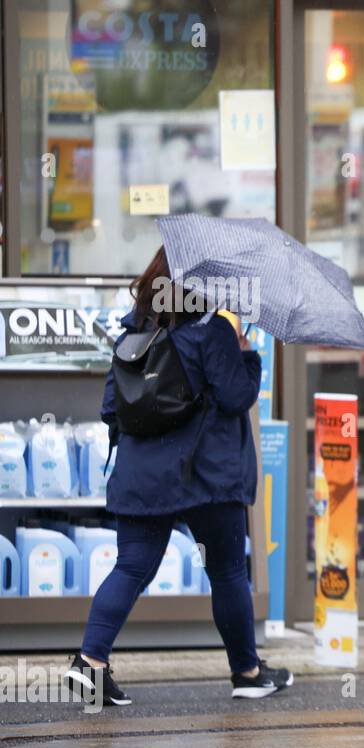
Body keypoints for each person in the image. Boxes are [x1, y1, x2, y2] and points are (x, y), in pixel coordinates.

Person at [63, 247, 293, 706]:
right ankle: (247, 672)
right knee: (227, 572)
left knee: (130, 567)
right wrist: (246, 354)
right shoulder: (213, 331)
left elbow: (112, 408)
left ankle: (90, 664)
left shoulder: (134, 331)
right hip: (208, 478)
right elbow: (235, 397)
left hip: (144, 477)